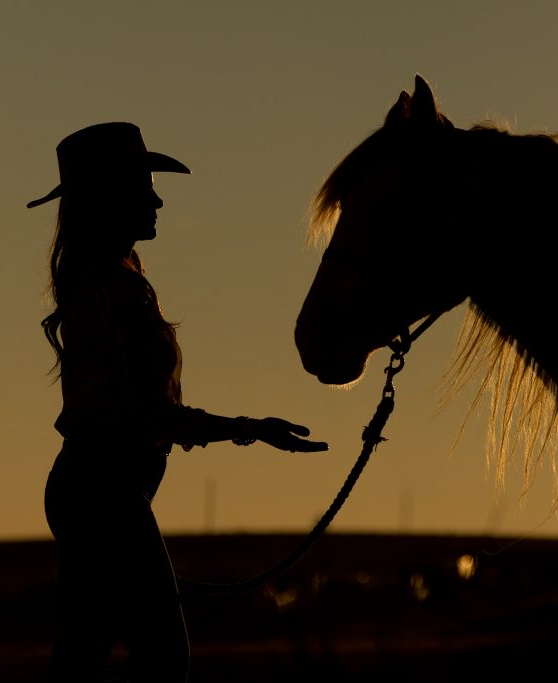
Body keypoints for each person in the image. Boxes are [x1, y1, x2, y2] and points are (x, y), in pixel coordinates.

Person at [29, 122, 328, 682]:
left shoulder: (104, 284)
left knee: (82, 659)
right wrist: (248, 428)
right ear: (109, 200)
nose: (158, 201)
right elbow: (146, 414)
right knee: (163, 658)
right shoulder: (111, 291)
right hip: (105, 495)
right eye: (143, 189)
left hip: (93, 491)